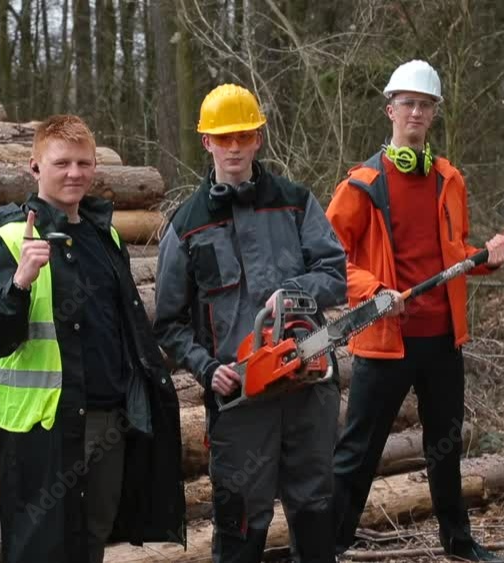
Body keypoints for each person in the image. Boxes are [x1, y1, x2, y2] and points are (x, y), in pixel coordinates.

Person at [0, 114, 186, 563]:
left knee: (92, 540)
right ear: (35, 167)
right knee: (41, 549)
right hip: (43, 425)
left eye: (83, 163)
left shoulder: (105, 234)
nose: (74, 173)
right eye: (61, 162)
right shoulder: (9, 240)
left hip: (108, 416)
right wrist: (20, 283)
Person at [326, 60, 504, 562]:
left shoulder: (448, 179)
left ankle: (457, 542)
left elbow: (450, 252)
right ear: (390, 109)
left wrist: (486, 258)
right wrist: (377, 289)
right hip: (385, 341)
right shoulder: (362, 184)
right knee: (358, 453)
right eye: (408, 103)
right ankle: (328, 546)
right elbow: (326, 259)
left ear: (433, 114)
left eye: (425, 105)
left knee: (445, 447)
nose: (416, 111)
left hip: (441, 339)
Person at [153, 84, 348, 563]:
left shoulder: (295, 201)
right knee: (240, 518)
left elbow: (335, 275)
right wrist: (204, 367)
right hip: (240, 393)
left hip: (308, 377)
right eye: (225, 138)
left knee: (315, 505)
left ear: (258, 138)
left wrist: (297, 290)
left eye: (244, 136)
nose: (235, 148)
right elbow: (168, 322)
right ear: (208, 143)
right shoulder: (187, 224)